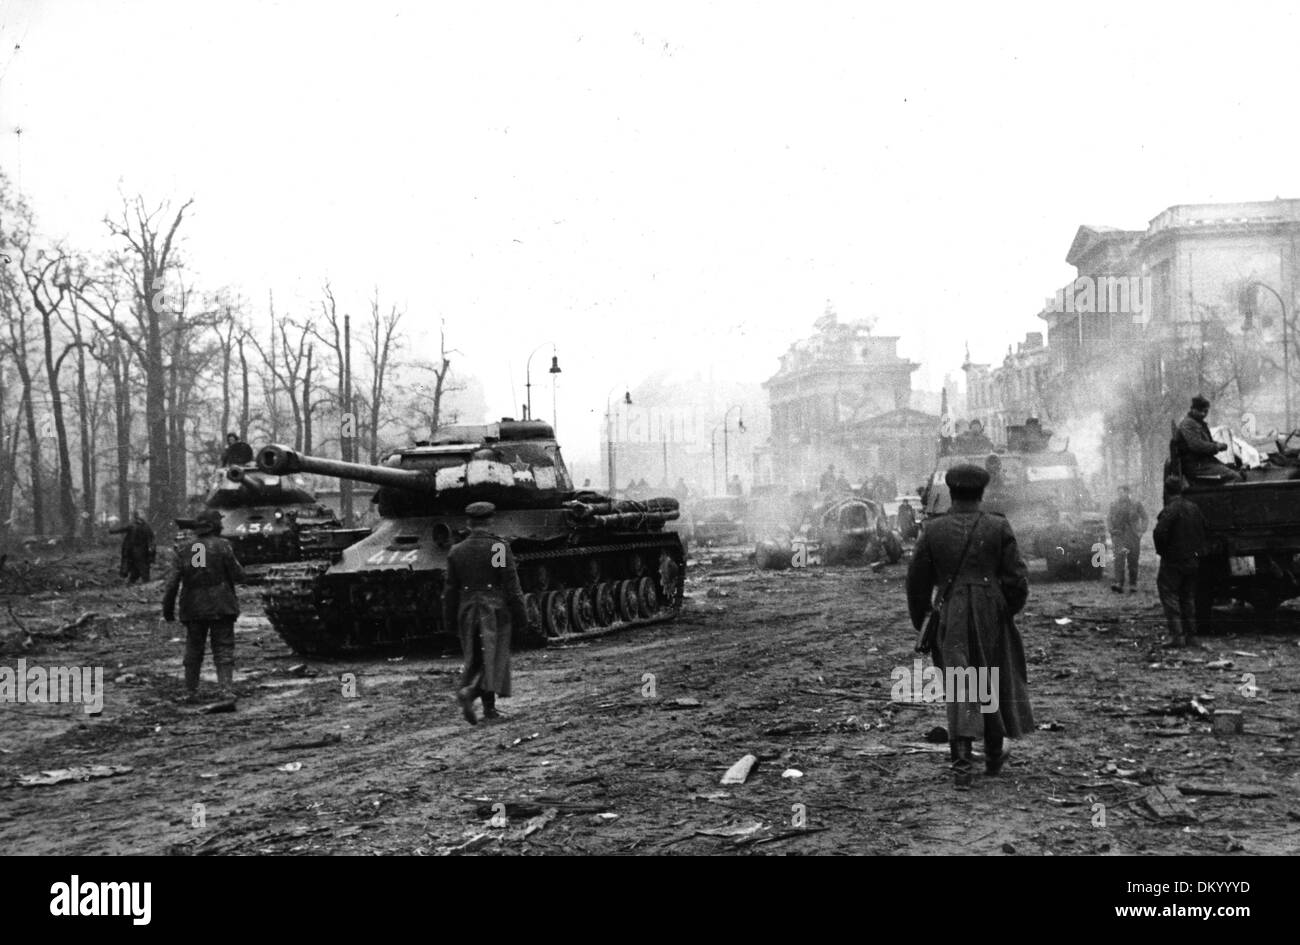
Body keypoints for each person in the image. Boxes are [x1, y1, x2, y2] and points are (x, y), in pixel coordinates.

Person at [906, 463, 1033, 788]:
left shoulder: (932, 529)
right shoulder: (998, 526)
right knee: (992, 678)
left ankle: (962, 767)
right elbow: (1017, 580)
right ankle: (992, 756)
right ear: (981, 493)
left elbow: (916, 583)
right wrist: (1005, 610)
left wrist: (924, 621)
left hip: (951, 611)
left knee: (960, 683)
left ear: (951, 493)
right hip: (992, 610)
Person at [445, 502, 529, 724]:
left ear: (469, 523)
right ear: (490, 521)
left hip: (467, 610)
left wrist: (449, 620)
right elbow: (509, 584)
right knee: (496, 657)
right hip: (493, 609)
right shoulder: (496, 548)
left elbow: (450, 590)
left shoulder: (457, 550)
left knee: (477, 658)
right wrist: (522, 615)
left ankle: (489, 709)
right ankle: (471, 694)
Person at [162, 509, 245, 704]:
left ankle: (191, 691)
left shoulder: (184, 549)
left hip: (193, 606)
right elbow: (239, 575)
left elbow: (172, 583)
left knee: (193, 649)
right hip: (221, 604)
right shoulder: (224, 546)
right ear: (214, 526)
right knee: (223, 648)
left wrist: (168, 609)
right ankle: (225, 690)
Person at [1153, 477, 1208, 648]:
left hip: (1173, 561)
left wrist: (1163, 552)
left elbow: (1159, 533)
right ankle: (1192, 636)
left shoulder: (1170, 510)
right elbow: (1204, 529)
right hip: (1192, 560)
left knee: (1170, 595)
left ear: (1167, 490)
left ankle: (1177, 636)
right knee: (1188, 597)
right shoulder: (1194, 508)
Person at [1175, 396, 1242, 483]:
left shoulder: (1198, 423)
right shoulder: (1188, 424)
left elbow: (1206, 442)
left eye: (1205, 411)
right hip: (1197, 466)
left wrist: (1217, 444)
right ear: (1193, 409)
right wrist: (1216, 447)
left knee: (1236, 470)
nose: (1203, 414)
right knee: (1235, 477)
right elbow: (1197, 446)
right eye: (1200, 410)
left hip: (1204, 463)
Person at [1108, 485, 1149, 593]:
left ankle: (1133, 584)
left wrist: (1141, 531)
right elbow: (1109, 518)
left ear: (1127, 493)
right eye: (1119, 493)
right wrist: (1112, 531)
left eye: (1122, 492)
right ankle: (1119, 583)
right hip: (1119, 536)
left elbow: (1145, 517)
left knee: (1133, 560)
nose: (1120, 495)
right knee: (1119, 560)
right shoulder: (1114, 504)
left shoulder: (1136, 504)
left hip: (1133, 536)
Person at [109, 512, 155, 584]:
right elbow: (121, 529)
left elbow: (151, 539)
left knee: (141, 568)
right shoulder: (135, 526)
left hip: (140, 551)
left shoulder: (145, 526)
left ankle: (141, 582)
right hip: (135, 551)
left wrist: (151, 548)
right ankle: (134, 582)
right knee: (138, 568)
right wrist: (111, 530)